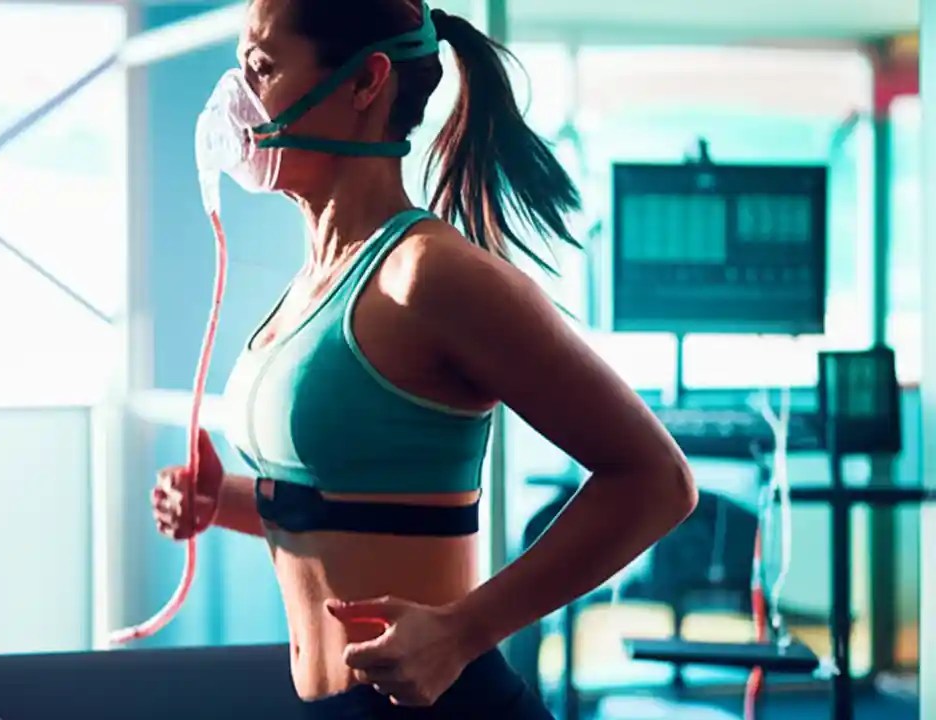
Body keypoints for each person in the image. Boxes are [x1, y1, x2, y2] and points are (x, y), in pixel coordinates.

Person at [151, 0, 698, 717]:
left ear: (364, 82)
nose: (237, 96)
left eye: (262, 67)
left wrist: (463, 632)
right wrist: (220, 501)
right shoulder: (314, 282)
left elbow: (658, 481)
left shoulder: (429, 276)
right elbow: (354, 508)